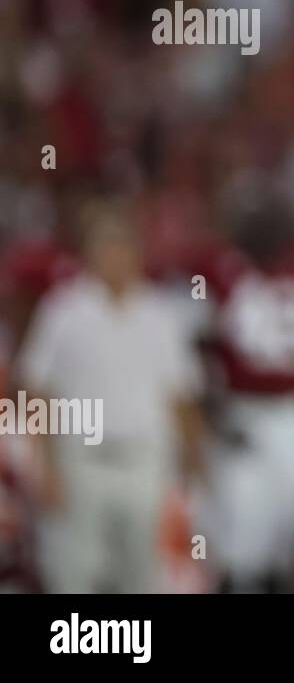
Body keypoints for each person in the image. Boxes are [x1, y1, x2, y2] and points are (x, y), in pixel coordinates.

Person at [17, 202, 205, 593]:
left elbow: (180, 394)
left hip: (145, 459)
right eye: (107, 246)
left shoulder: (161, 314)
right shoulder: (64, 310)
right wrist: (42, 462)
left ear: (138, 252)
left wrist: (195, 456)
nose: (116, 255)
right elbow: (36, 390)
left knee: (143, 575)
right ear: (90, 253)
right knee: (74, 575)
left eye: (123, 246)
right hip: (80, 460)